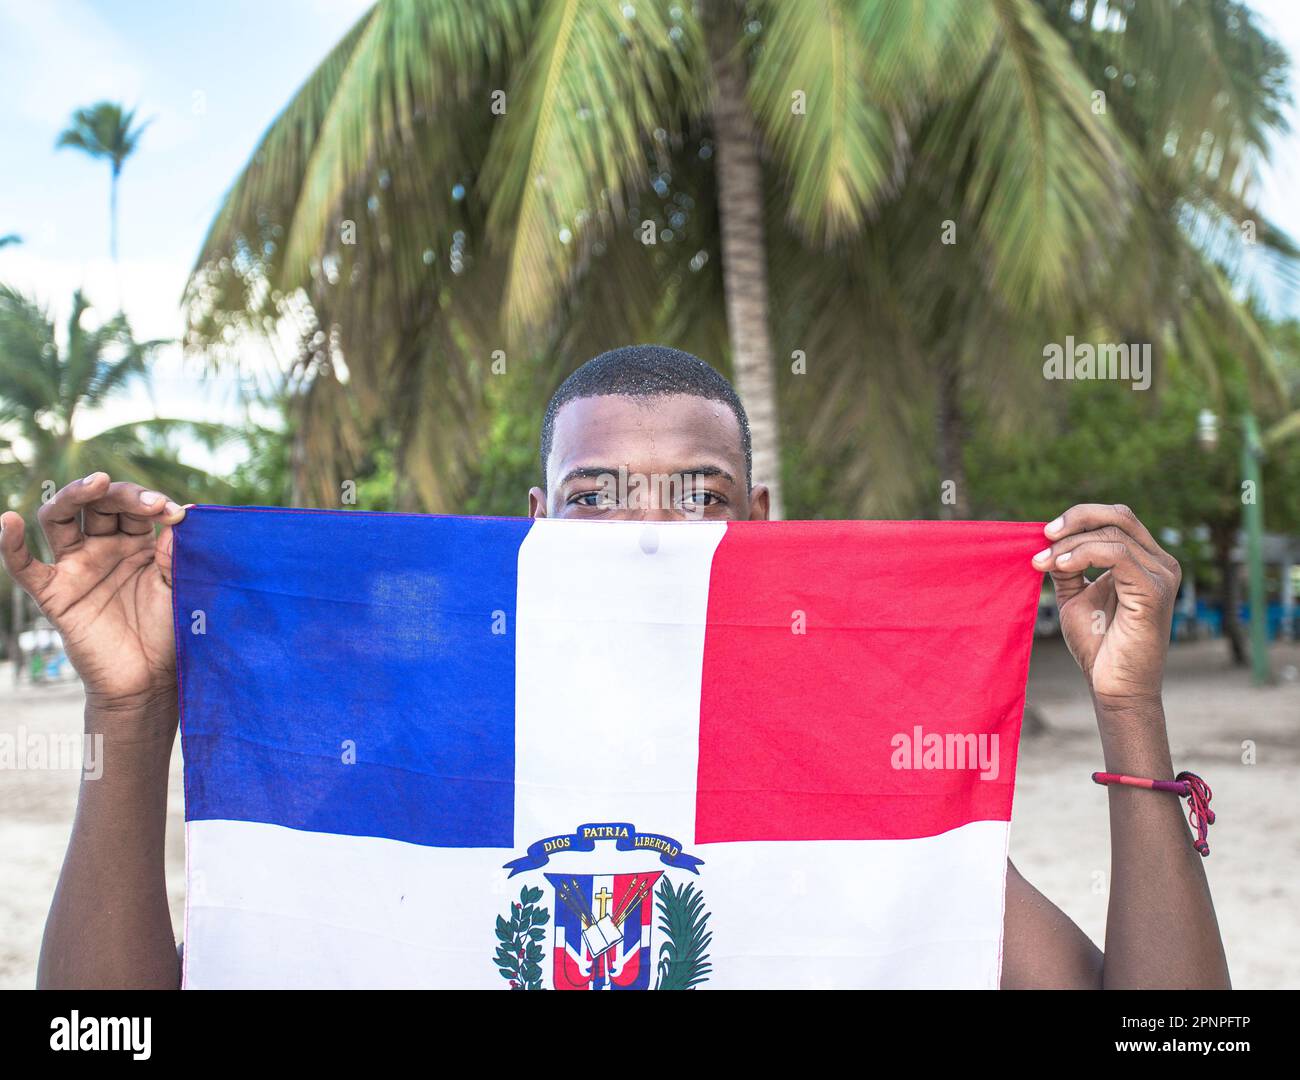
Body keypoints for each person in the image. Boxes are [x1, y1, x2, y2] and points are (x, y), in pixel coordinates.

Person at [1, 345, 1229, 990]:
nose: (644, 530)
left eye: (694, 496)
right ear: (535, 515)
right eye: (596, 497)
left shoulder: (850, 789)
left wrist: (1129, 710)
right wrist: (135, 705)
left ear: (755, 516)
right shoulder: (408, 763)